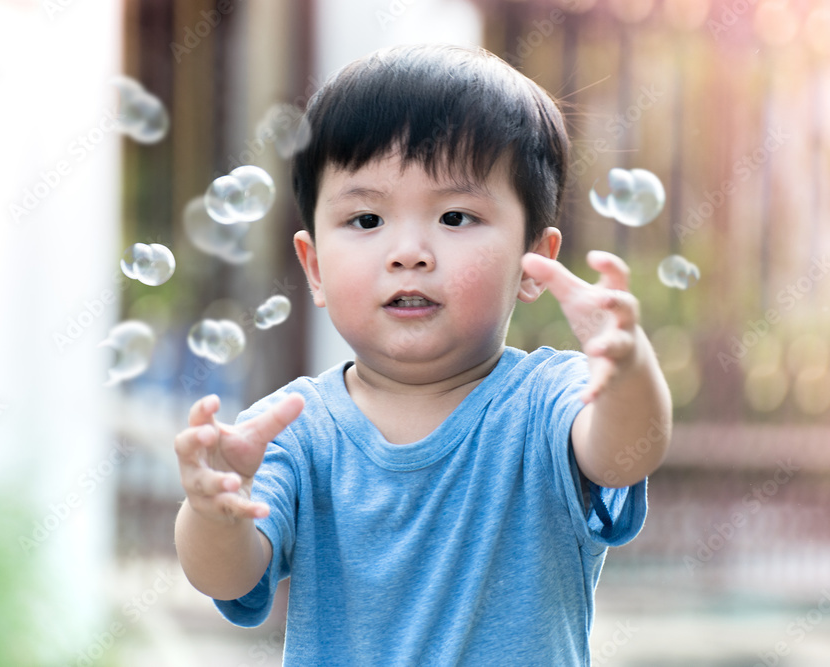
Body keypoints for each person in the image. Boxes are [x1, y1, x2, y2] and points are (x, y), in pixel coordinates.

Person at [173, 44, 671, 665]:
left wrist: (626, 372)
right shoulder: (295, 430)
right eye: (366, 219)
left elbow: (626, 453)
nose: (409, 251)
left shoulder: (549, 402)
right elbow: (227, 577)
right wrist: (213, 510)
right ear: (315, 267)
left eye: (456, 216)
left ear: (533, 259)